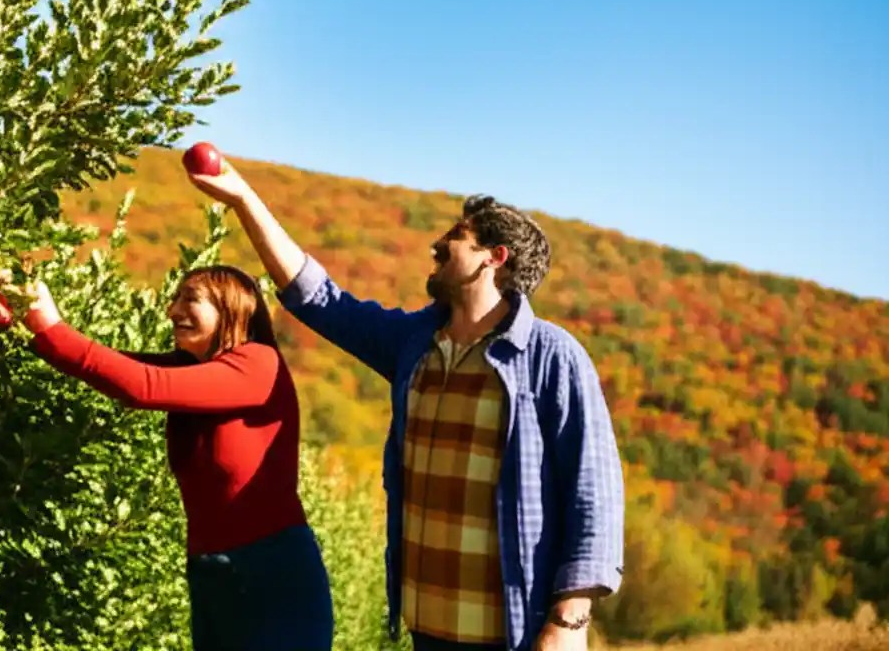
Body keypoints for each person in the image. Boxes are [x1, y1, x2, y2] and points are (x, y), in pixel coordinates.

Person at [184, 167, 625, 651]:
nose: (437, 245)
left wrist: (569, 621)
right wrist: (243, 198)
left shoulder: (550, 356)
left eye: (457, 237)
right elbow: (320, 300)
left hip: (515, 634)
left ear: (494, 259)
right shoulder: (414, 345)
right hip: (428, 630)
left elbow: (594, 491)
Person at [0, 264, 334, 651]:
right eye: (175, 298)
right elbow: (104, 365)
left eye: (190, 299)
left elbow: (142, 386)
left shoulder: (259, 364)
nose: (173, 311)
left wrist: (50, 323)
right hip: (213, 577)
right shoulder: (191, 368)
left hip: (273, 579)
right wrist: (19, 322)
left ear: (233, 308)